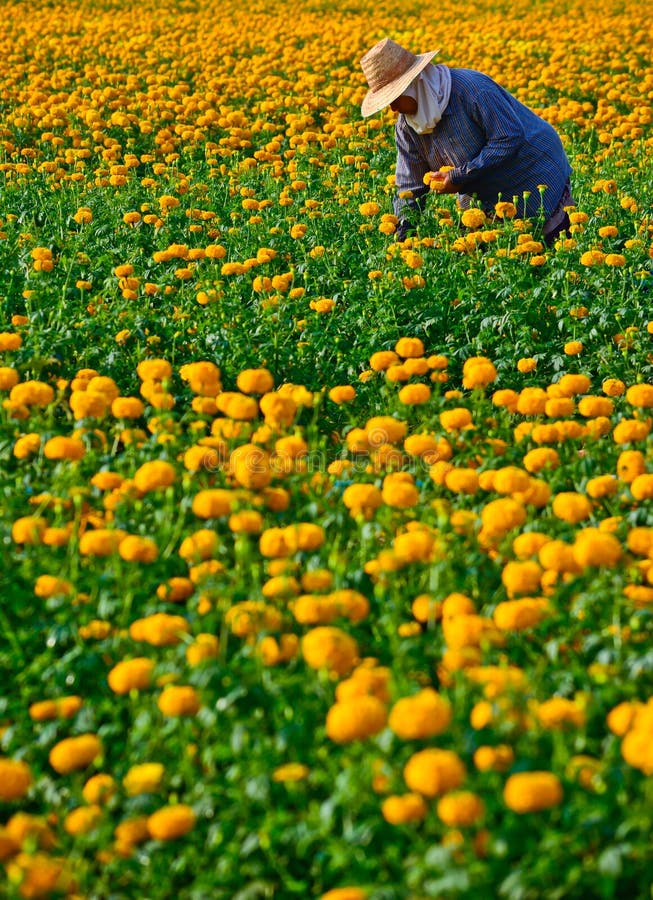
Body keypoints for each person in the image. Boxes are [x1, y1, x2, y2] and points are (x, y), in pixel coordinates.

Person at [359, 38, 574, 243]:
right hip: (479, 186)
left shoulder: (472, 90)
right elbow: (410, 184)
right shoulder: (407, 126)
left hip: (531, 171)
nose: (393, 108)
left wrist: (460, 175)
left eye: (394, 98)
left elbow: (508, 137)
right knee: (478, 256)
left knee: (551, 247)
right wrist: (404, 231)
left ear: (413, 86)